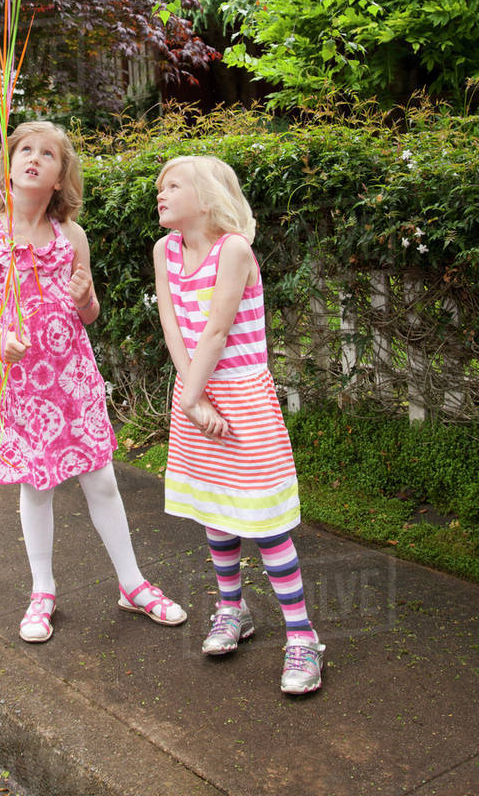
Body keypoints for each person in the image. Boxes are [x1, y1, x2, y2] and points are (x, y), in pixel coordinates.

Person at [0, 120, 186, 643]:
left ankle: (131, 584)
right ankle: (42, 591)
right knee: (37, 487)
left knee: (101, 478)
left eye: (48, 155)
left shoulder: (72, 237)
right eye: (25, 151)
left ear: (61, 178)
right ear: (11, 165)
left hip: (73, 375)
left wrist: (84, 295)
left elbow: (88, 315)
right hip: (21, 382)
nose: (34, 159)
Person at [153, 155, 325, 695]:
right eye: (160, 187)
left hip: (242, 397)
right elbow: (173, 325)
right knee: (215, 507)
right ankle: (234, 610)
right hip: (196, 392)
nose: (160, 193)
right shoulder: (165, 250)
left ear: (205, 198)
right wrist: (191, 395)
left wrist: (195, 396)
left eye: (172, 185)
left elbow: (218, 330)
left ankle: (303, 637)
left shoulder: (234, 250)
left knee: (265, 519)